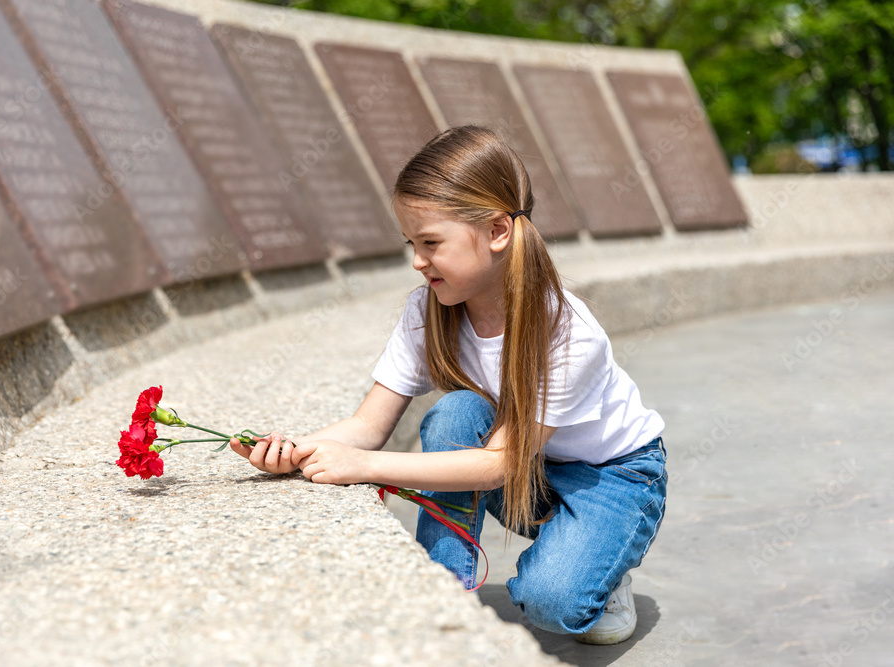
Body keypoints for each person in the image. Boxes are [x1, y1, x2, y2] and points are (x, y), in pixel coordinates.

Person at [230, 125, 667, 645]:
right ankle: (445, 593)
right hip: (533, 473)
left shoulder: (567, 332)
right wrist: (294, 450)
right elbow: (368, 425)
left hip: (612, 478)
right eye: (411, 244)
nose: (417, 260)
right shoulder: (428, 311)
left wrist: (365, 467)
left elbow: (500, 463)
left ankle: (602, 561)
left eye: (431, 243)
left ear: (497, 232)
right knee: (456, 410)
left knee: (552, 604)